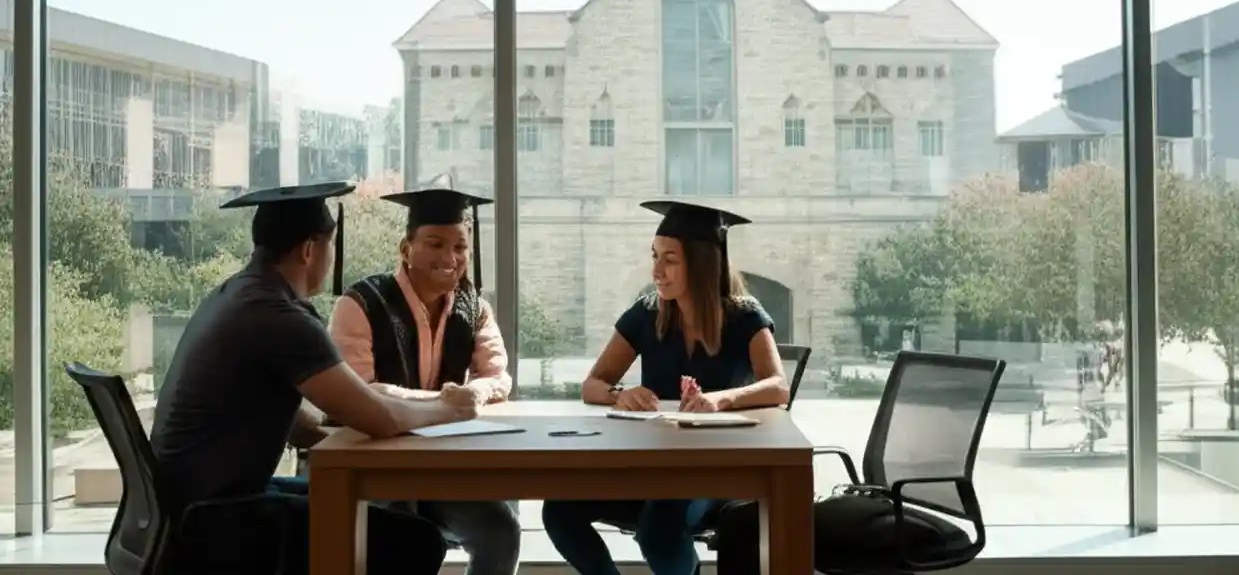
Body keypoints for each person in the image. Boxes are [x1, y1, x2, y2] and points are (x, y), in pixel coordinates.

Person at [151, 181, 476, 575]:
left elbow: (291, 420)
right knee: (415, 540)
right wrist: (448, 409)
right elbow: (378, 417)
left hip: (189, 504)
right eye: (329, 246)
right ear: (310, 249)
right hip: (219, 519)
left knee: (364, 504)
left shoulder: (235, 294)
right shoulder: (279, 315)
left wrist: (334, 440)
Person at [541, 200, 790, 575]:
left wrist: (719, 400)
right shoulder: (647, 314)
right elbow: (592, 384)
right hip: (649, 464)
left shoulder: (744, 315)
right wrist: (619, 394)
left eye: (670, 259)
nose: (656, 270)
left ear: (702, 263)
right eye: (654, 256)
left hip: (716, 469)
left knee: (659, 524)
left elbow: (777, 387)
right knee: (559, 509)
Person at [328, 180, 520, 575]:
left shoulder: (474, 308)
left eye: (460, 246)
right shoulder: (360, 304)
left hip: (441, 472)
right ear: (406, 248)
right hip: (373, 474)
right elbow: (358, 391)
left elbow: (497, 376)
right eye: (435, 244)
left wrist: (473, 394)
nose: (450, 256)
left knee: (500, 531)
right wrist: (441, 405)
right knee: (407, 543)